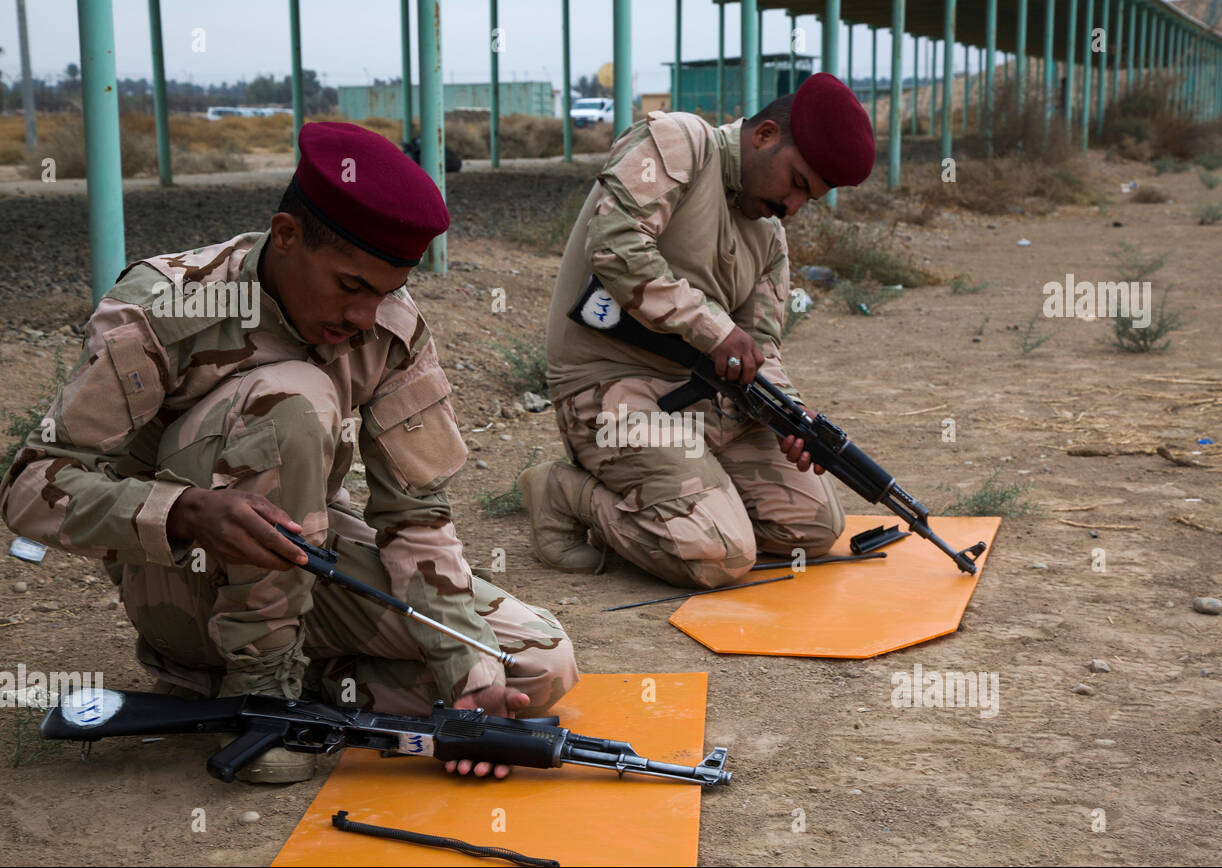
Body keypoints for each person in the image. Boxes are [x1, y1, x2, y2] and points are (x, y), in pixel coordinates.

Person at [0, 122, 578, 782]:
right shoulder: (164, 308)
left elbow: (418, 522)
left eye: (386, 292)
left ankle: (299, 690)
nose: (365, 316)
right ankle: (264, 686)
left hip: (305, 558)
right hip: (181, 582)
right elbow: (31, 486)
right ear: (285, 236)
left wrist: (467, 681)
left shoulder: (389, 330)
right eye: (351, 285)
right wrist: (186, 511)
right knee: (292, 400)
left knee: (538, 664)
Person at [521, 73, 875, 589]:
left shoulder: (770, 238)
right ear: (765, 135)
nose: (794, 207)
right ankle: (563, 492)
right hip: (610, 389)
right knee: (720, 557)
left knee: (814, 529)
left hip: (706, 403)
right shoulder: (683, 143)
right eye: (797, 183)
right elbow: (617, 245)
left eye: (810, 199)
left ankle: (694, 498)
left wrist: (793, 413)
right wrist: (714, 329)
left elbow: (760, 348)